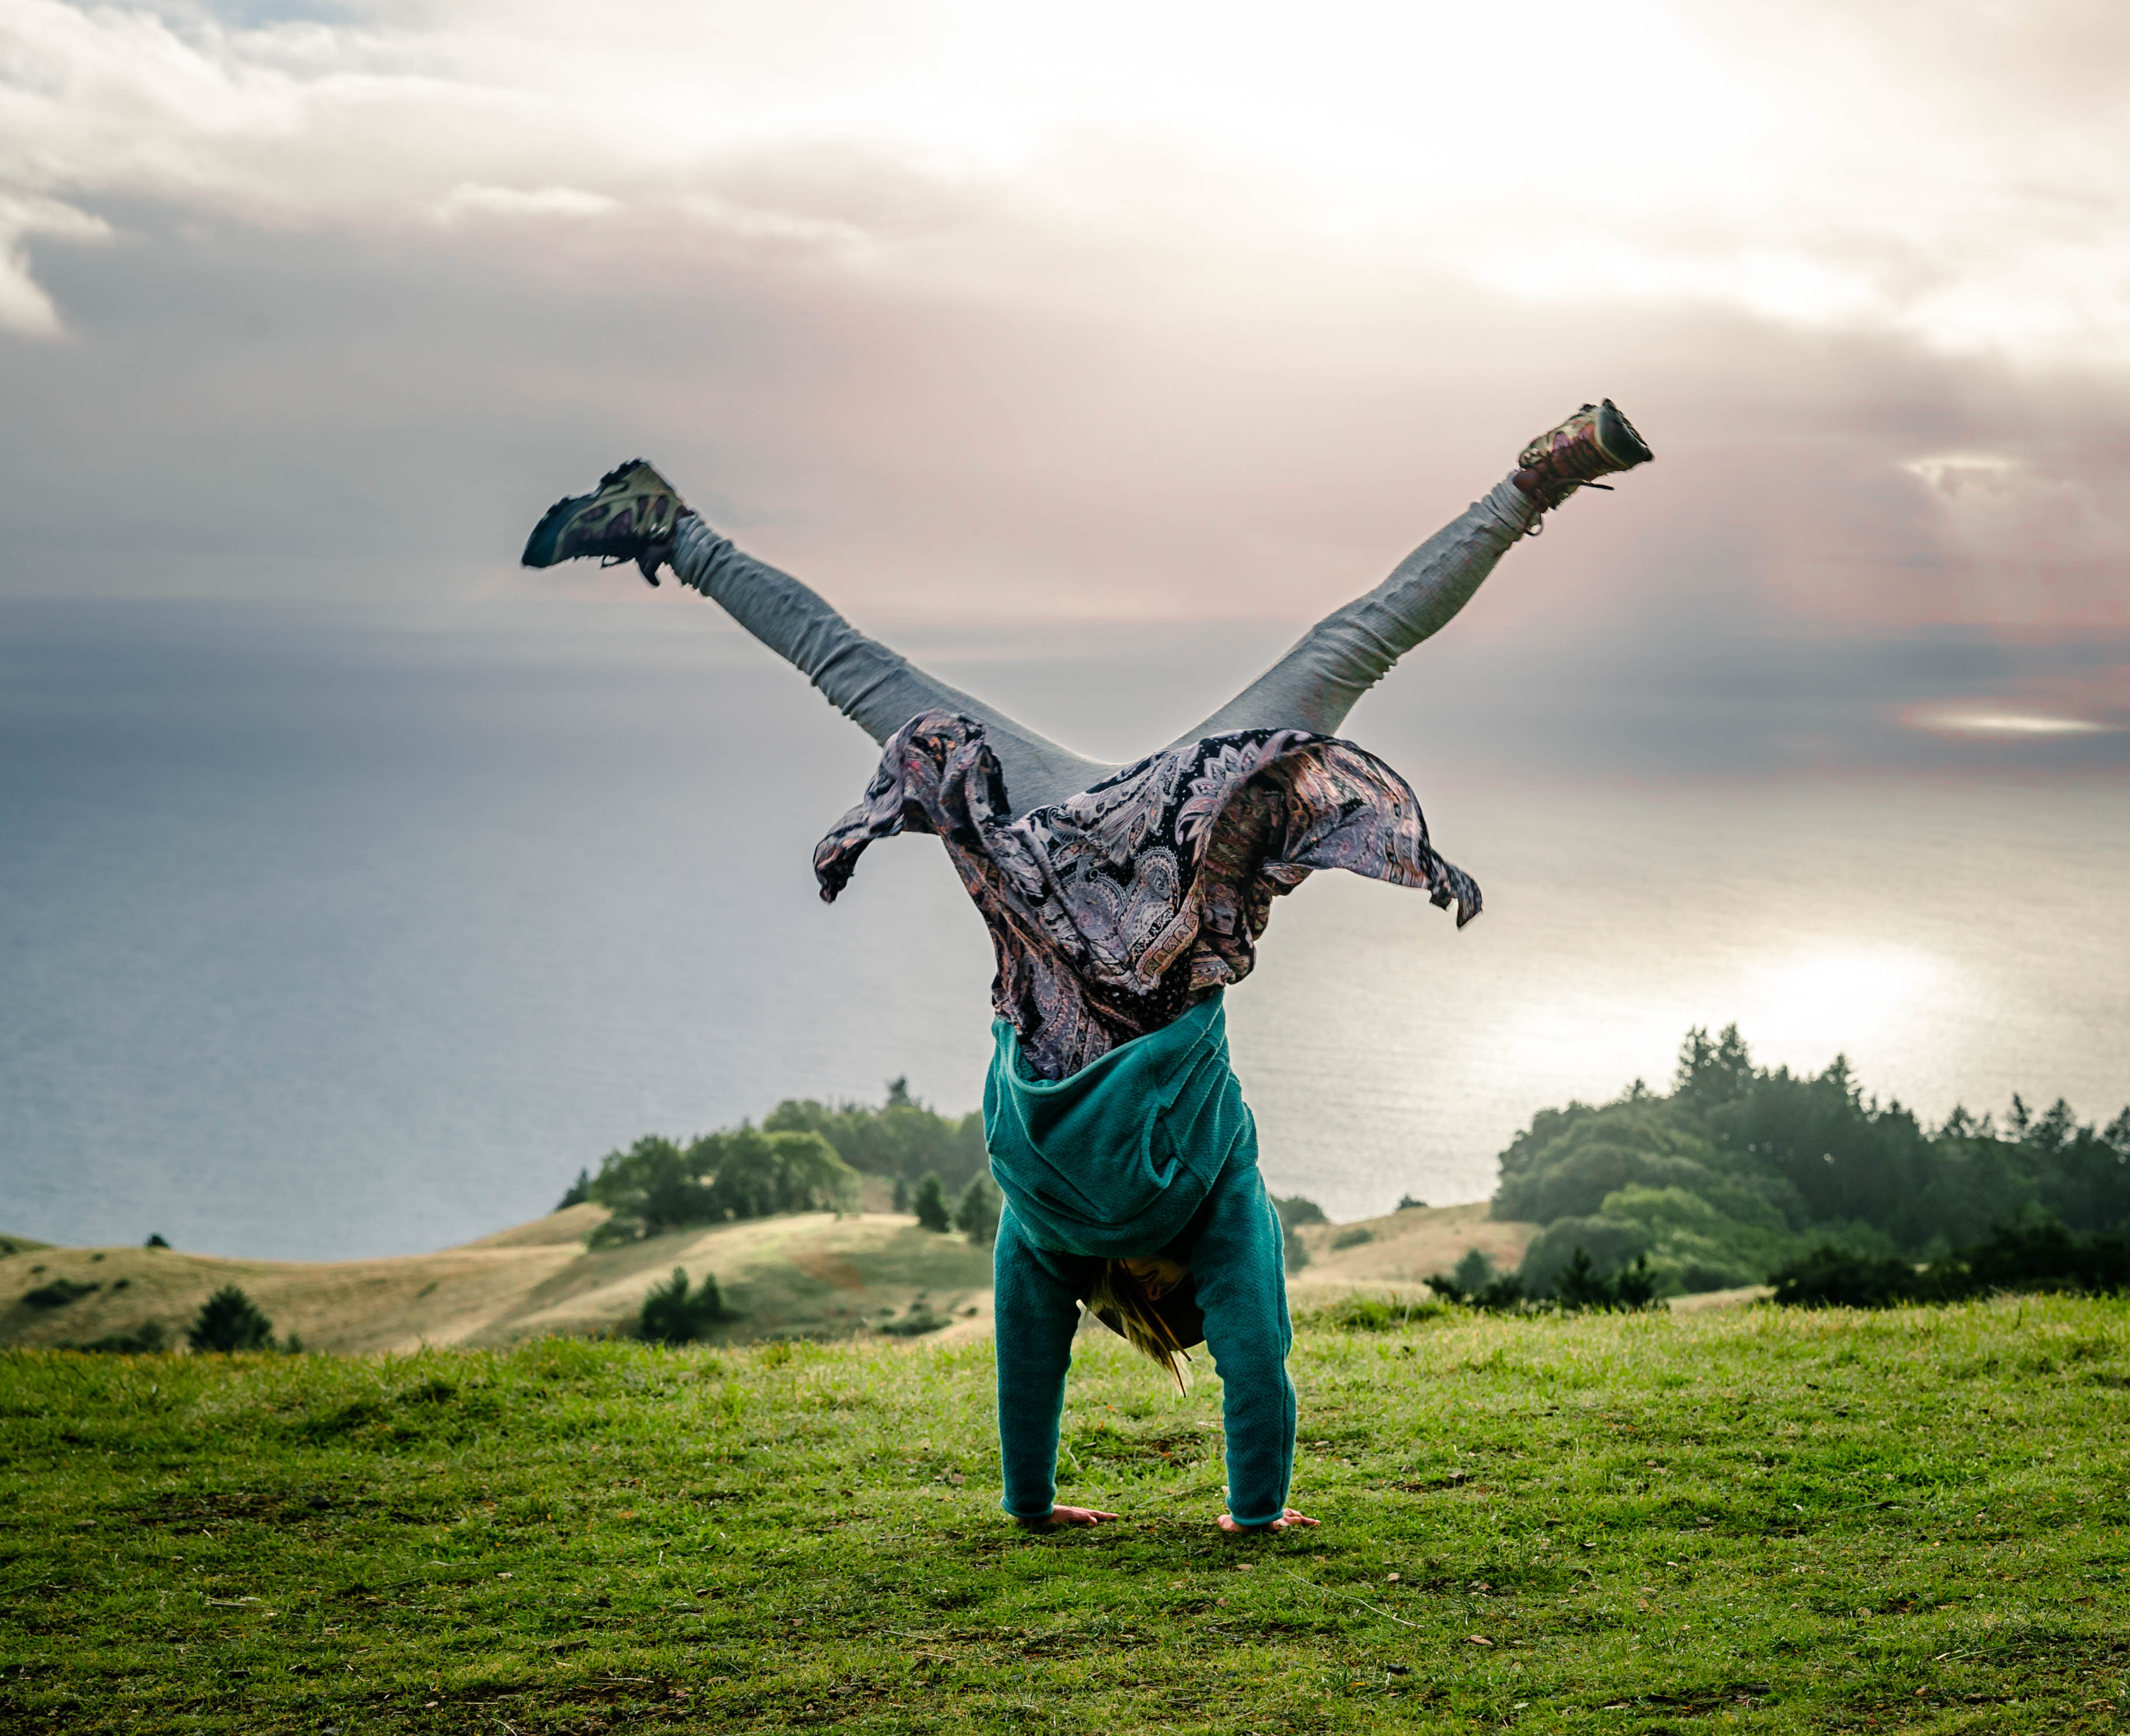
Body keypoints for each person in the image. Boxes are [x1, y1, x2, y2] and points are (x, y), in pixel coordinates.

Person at [521, 400, 1653, 1533]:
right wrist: (1034, 1505)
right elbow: (1032, 1363)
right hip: (1046, 852)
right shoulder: (1042, 1216)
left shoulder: (1208, 1201)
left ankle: (1540, 479)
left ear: (1170, 1294)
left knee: (1354, 645)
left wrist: (1258, 1510)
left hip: (1178, 835)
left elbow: (1255, 1355)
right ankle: (677, 532)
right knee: (855, 671)